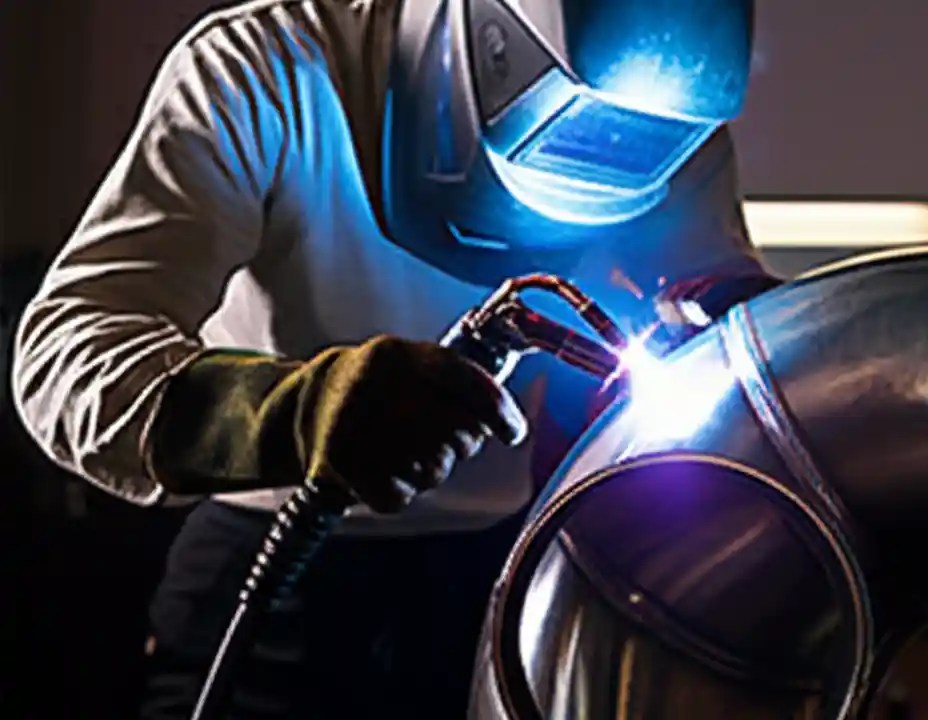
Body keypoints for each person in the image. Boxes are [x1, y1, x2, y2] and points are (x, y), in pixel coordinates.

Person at [10, 0, 776, 716]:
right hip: (269, 577)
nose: (605, 154)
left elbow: (716, 338)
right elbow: (68, 351)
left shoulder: (673, 124)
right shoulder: (268, 68)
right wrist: (295, 414)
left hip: (491, 577)